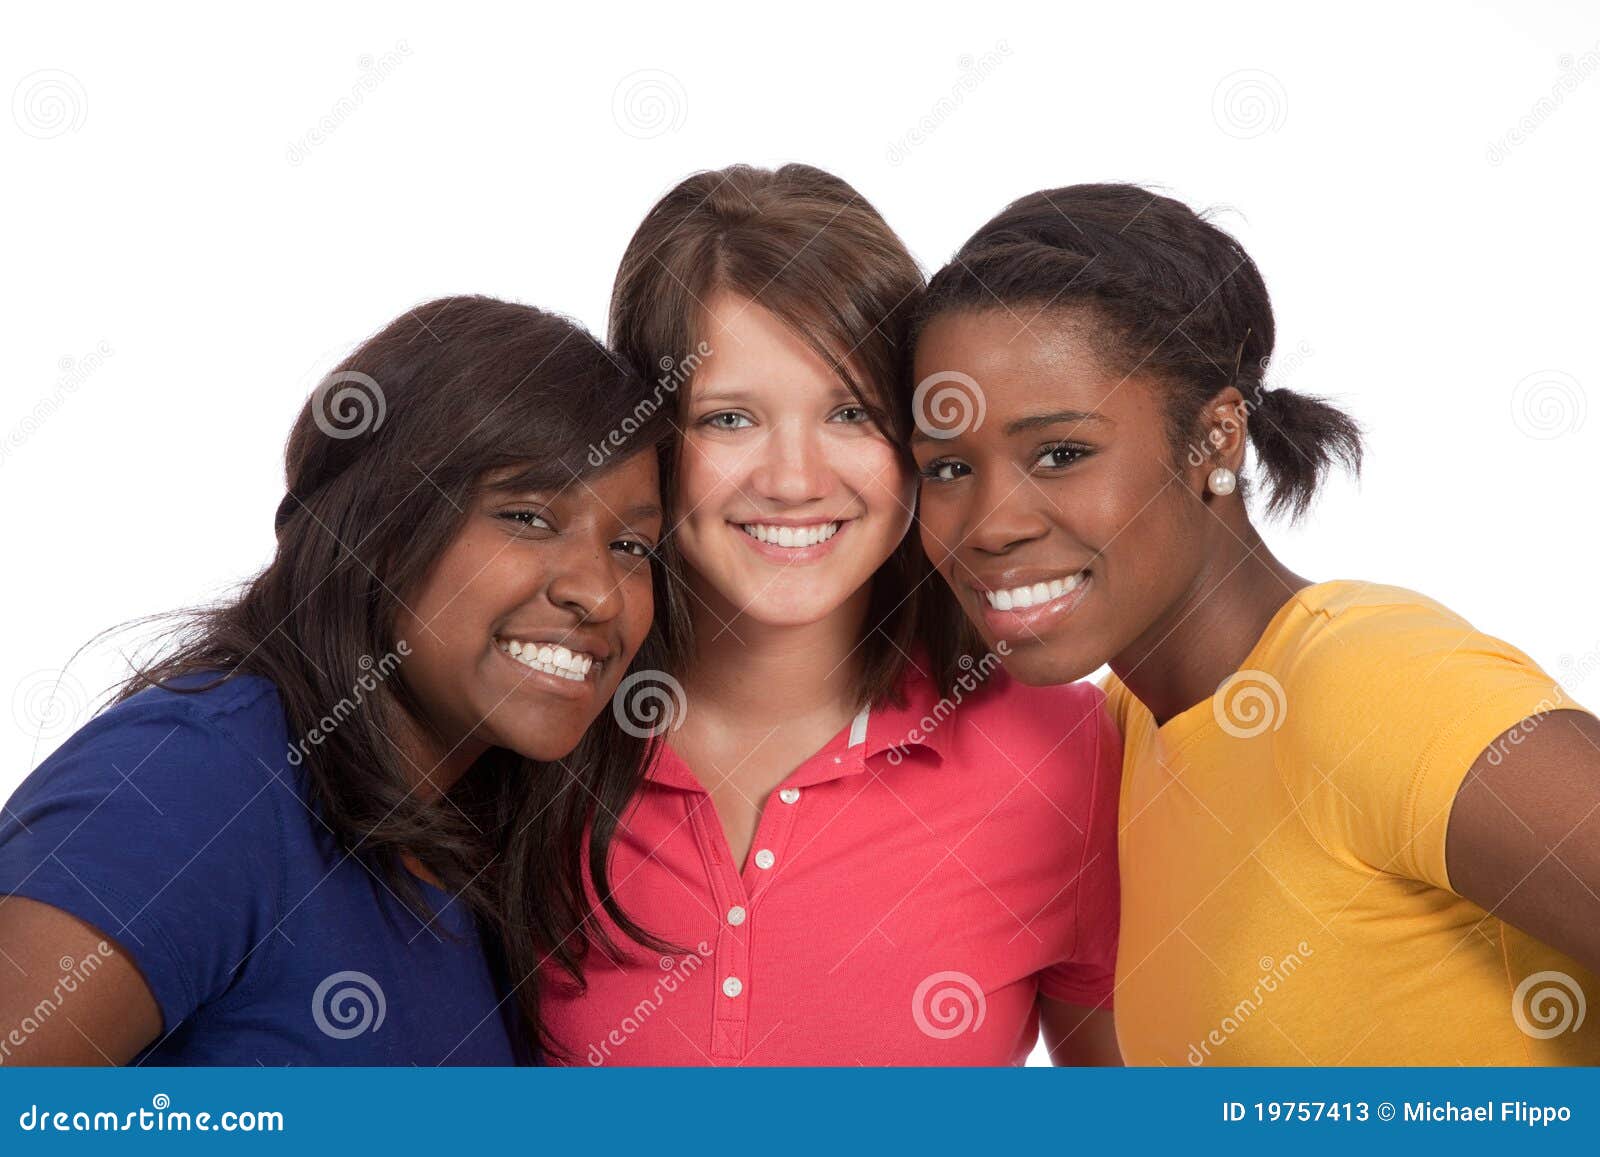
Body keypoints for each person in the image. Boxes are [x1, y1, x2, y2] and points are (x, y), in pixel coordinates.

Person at [908, 182, 1600, 1064]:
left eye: (1062, 452)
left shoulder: (1376, 682)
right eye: (947, 467)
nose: (991, 523)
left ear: (1216, 441)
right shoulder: (1131, 733)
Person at [541, 164, 1123, 1066]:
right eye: (730, 419)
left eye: (851, 411)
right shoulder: (537, 731)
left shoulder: (1067, 758)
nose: (796, 479)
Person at [0, 296, 670, 1064]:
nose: (600, 591)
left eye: (632, 546)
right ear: (375, 528)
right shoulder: (195, 781)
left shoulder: (475, 844)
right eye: (526, 517)